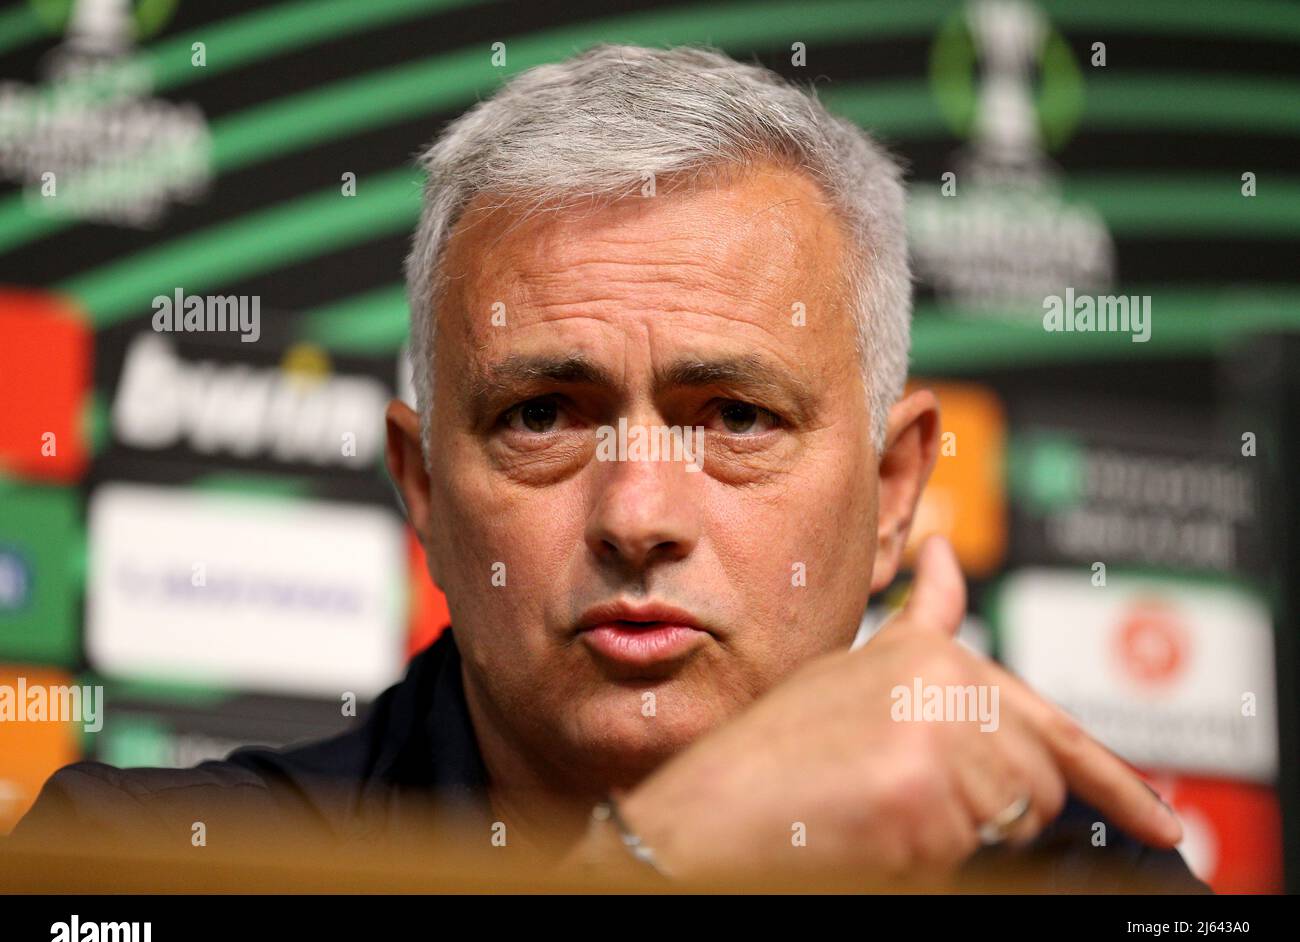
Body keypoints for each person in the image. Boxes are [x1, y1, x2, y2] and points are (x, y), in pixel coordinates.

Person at [9, 44, 1205, 892]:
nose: (637, 514)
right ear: (421, 488)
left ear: (893, 491)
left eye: (733, 414)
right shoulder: (146, 860)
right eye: (543, 415)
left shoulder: (1080, 885)